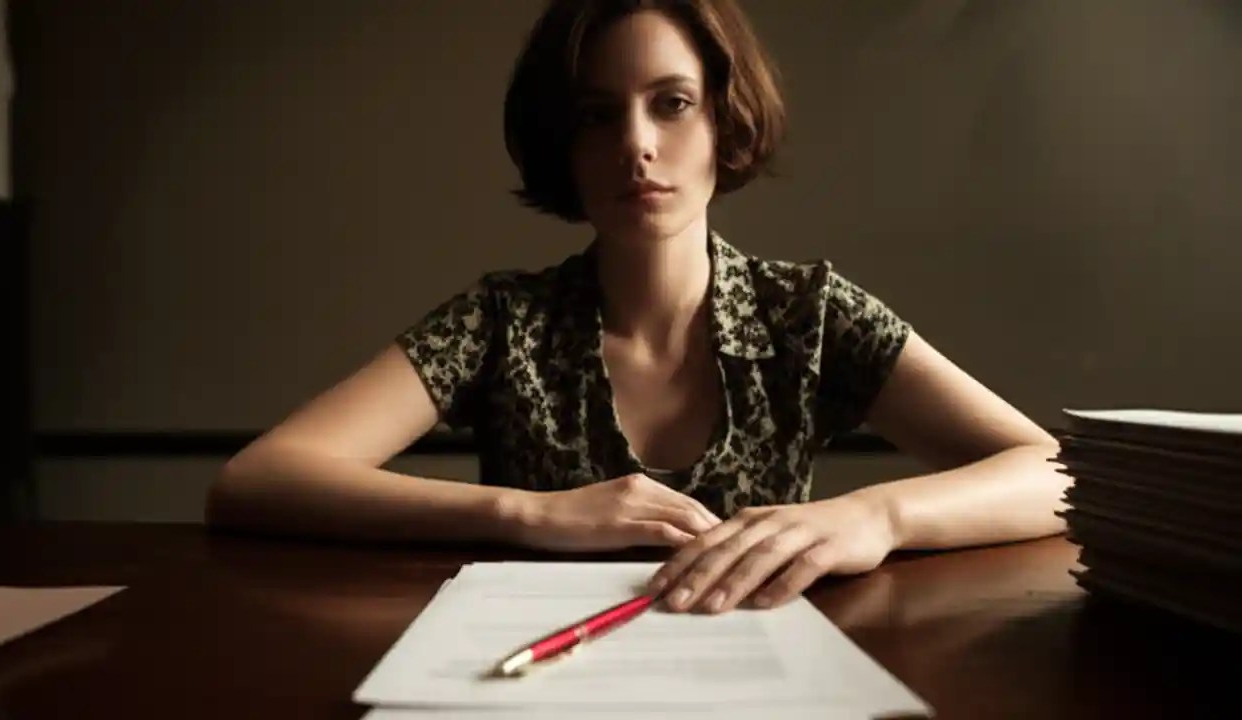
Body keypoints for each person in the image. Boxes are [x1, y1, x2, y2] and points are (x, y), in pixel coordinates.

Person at [206, 0, 1069, 615]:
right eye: (596, 115)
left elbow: (1058, 475)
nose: (637, 145)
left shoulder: (807, 314)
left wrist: (874, 515)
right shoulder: (504, 322)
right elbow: (259, 480)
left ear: (725, 120)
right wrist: (529, 515)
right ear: (563, 145)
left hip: (762, 686)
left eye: (672, 102)